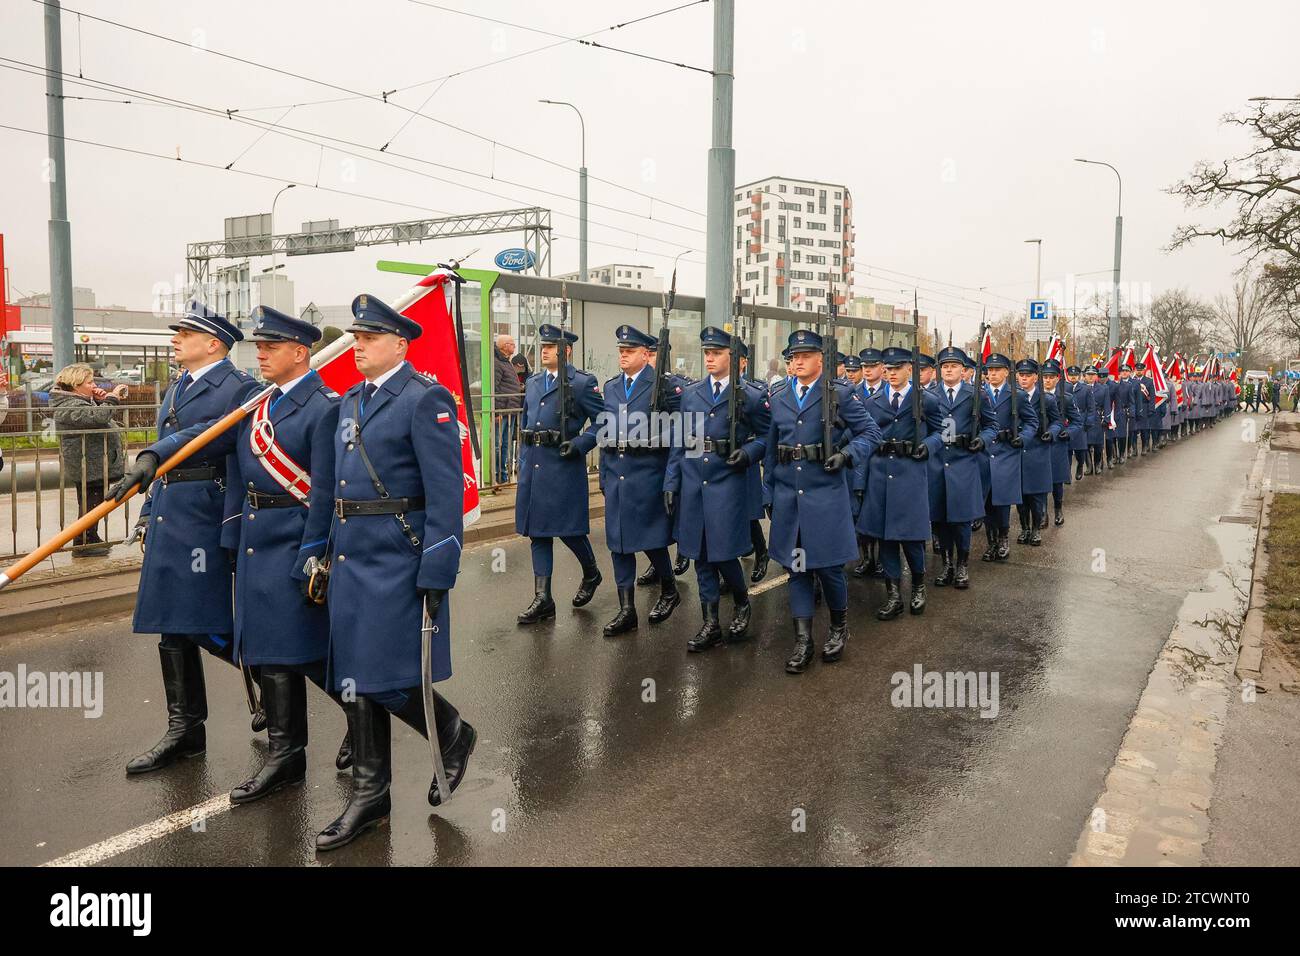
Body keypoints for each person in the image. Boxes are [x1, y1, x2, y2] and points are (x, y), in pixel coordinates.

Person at [315, 294, 475, 851]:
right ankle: (371, 795)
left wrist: (439, 566)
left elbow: (445, 493)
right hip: (351, 553)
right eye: (355, 338)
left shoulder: (424, 398)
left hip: (397, 554)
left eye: (369, 338)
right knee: (356, 674)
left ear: (400, 344)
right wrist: (322, 550)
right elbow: (334, 486)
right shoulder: (351, 400)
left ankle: (451, 731)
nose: (357, 347)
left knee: (386, 676)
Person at [109, 303, 259, 774]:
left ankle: (283, 693)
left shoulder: (238, 387)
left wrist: (153, 457)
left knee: (205, 624)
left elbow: (213, 441)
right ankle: (185, 730)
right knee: (171, 626)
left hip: (205, 514)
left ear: (214, 344)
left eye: (185, 334)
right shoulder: (178, 385)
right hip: (170, 513)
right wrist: (147, 514)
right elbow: (165, 465)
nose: (175, 339)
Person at [218, 307, 351, 803]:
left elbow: (324, 492)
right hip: (257, 538)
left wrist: (313, 554)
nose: (261, 354)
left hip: (295, 537)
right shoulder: (258, 403)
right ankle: (287, 756)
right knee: (272, 649)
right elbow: (237, 471)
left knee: (303, 651)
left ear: (299, 353)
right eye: (259, 347)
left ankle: (360, 717)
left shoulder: (325, 406)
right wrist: (232, 535)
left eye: (270, 347)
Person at [765, 329, 879, 673]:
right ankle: (803, 641)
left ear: (820, 359)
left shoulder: (839, 394)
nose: (797, 362)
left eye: (805, 356)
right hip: (790, 496)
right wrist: (768, 490)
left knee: (829, 569)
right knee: (797, 568)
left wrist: (847, 454)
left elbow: (871, 433)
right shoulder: (780, 395)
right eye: (793, 357)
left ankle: (838, 628)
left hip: (825, 494)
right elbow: (772, 448)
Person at [666, 327, 770, 651]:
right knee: (700, 555)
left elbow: (768, 436)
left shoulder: (750, 396)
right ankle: (710, 622)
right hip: (694, 481)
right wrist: (671, 482)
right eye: (707, 353)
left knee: (723, 553)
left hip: (727, 481)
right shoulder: (692, 393)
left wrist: (749, 453)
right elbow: (680, 441)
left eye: (716, 353)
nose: (709, 358)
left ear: (732, 356)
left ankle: (741, 601)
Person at [589, 325, 682, 636]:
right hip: (618, 473)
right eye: (621, 351)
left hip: (648, 473)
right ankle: (627, 610)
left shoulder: (663, 386)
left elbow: (683, 429)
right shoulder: (612, 387)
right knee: (619, 543)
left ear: (646, 354)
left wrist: (659, 444)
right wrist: (604, 474)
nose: (623, 355)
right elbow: (606, 433)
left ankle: (669, 588)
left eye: (630, 351)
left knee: (651, 539)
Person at [514, 324, 605, 624]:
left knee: (569, 530)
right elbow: (526, 423)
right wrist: (522, 459)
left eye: (550, 347)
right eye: (543, 346)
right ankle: (543, 598)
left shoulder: (582, 383)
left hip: (563, 464)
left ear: (565, 351)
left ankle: (591, 572)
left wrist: (580, 444)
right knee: (537, 533)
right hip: (534, 465)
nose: (544, 351)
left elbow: (604, 422)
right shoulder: (533, 382)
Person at [858, 346, 944, 619]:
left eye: (897, 369)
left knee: (912, 538)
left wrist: (928, 446)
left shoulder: (926, 400)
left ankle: (918, 586)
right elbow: (864, 435)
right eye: (888, 369)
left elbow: (943, 432)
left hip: (910, 473)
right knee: (886, 538)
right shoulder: (872, 401)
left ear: (910, 369)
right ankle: (893, 595)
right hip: (881, 474)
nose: (892, 374)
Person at [927, 346, 991, 590]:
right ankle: (946, 565)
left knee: (962, 518)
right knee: (940, 517)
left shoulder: (976, 394)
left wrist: (982, 440)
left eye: (953, 366)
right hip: (937, 461)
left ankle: (962, 565)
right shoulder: (929, 394)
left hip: (964, 460)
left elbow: (992, 425)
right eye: (945, 366)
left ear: (963, 370)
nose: (949, 370)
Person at [49, 363, 127, 557]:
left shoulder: (78, 401)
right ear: (76, 385)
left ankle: (90, 536)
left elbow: (96, 417)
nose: (94, 385)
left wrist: (99, 401)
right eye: (89, 382)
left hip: (93, 462)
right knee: (90, 503)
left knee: (94, 501)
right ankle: (82, 542)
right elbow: (97, 418)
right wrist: (111, 399)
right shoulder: (68, 404)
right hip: (87, 463)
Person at [978, 352, 1037, 561]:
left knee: (1002, 499)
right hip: (985, 451)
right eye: (989, 370)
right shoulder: (978, 394)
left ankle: (1003, 538)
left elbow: (1032, 422)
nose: (992, 374)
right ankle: (991, 542)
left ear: (1006, 372)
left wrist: (1023, 438)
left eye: (997, 370)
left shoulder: (1016, 395)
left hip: (1006, 451)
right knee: (986, 500)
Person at [1014, 357, 1061, 545]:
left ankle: (1035, 529)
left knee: (1037, 495)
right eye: (1021, 375)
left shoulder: (1046, 399)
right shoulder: (1012, 397)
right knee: (1020, 496)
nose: (1024, 378)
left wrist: (1051, 433)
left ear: (1036, 377)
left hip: (1038, 449)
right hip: (1018, 450)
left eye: (1028, 375)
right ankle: (1024, 528)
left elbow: (1057, 421)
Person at [1042, 360, 1076, 527]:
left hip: (1057, 444)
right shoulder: (1034, 397)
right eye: (1045, 377)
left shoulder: (1066, 398)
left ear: (1057, 378)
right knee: (1040, 480)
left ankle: (1058, 509)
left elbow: (1077, 422)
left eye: (1051, 377)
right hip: (1040, 444)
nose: (1047, 380)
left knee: (1057, 482)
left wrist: (1067, 432)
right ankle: (1043, 512)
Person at [493, 335, 522, 484]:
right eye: (512, 344)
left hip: (510, 409)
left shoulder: (505, 361)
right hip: (503, 410)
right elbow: (494, 387)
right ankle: (498, 474)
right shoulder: (498, 363)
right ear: (504, 346)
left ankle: (502, 475)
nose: (514, 347)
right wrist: (497, 410)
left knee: (506, 443)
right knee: (498, 445)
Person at [1065, 365, 1093, 478]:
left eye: (1075, 375)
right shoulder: (1062, 387)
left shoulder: (1086, 389)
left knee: (1080, 449)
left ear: (1080, 376)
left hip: (1081, 420)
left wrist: (1089, 422)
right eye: (1071, 375)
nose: (1073, 377)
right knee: (1067, 449)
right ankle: (1067, 473)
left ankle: (1080, 465)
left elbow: (1091, 408)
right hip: (1066, 421)